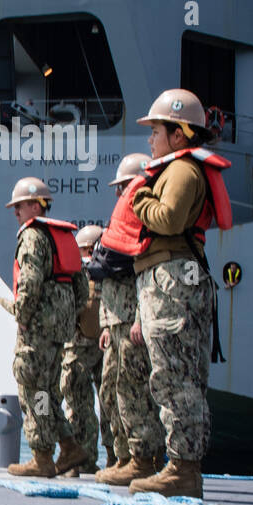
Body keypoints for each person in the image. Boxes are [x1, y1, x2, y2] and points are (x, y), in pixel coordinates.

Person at [97, 90, 232, 499]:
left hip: (172, 280)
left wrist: (138, 196)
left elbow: (169, 219)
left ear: (179, 134)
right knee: (169, 375)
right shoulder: (176, 169)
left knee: (176, 377)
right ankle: (174, 465)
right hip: (164, 279)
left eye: (156, 132)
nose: (151, 140)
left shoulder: (182, 172)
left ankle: (183, 470)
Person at [2, 177, 90, 479]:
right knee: (49, 393)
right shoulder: (61, 237)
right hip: (60, 328)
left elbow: (29, 280)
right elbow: (82, 287)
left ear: (36, 204)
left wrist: (23, 316)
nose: (16, 212)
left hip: (38, 326)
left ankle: (41, 456)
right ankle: (68, 446)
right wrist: (67, 316)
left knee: (31, 388)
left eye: (20, 206)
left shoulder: (32, 237)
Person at [88, 155, 165, 486]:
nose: (120, 194)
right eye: (120, 189)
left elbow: (144, 279)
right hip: (116, 323)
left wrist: (137, 319)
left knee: (135, 391)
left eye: (124, 187)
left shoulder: (145, 228)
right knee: (114, 390)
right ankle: (125, 457)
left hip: (132, 323)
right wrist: (106, 324)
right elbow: (109, 282)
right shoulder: (126, 224)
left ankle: (143, 459)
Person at [59, 225, 104, 476]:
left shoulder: (78, 271)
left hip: (77, 344)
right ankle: (102, 459)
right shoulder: (109, 272)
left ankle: (76, 462)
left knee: (77, 404)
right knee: (108, 404)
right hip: (104, 341)